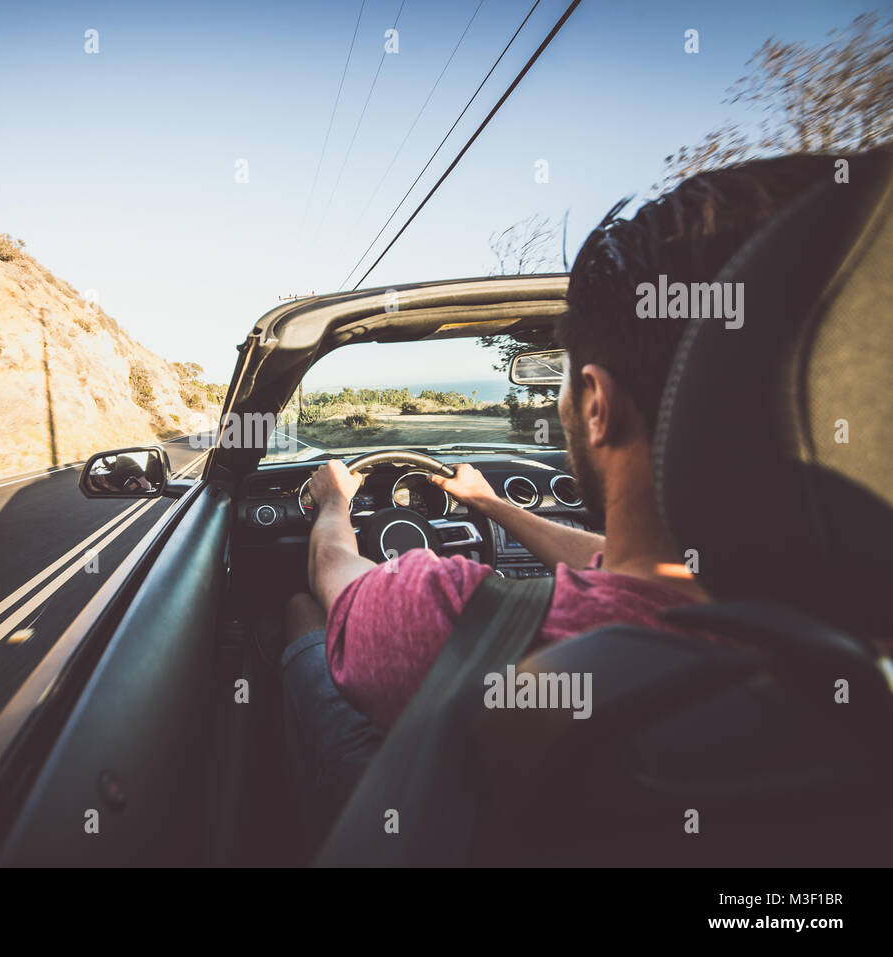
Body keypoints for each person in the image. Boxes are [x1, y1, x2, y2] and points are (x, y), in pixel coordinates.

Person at [280, 152, 842, 837]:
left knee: (302, 611)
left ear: (597, 403)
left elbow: (335, 571)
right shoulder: (842, 646)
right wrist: (492, 505)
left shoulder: (457, 623)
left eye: (567, 384)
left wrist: (336, 500)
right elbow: (627, 561)